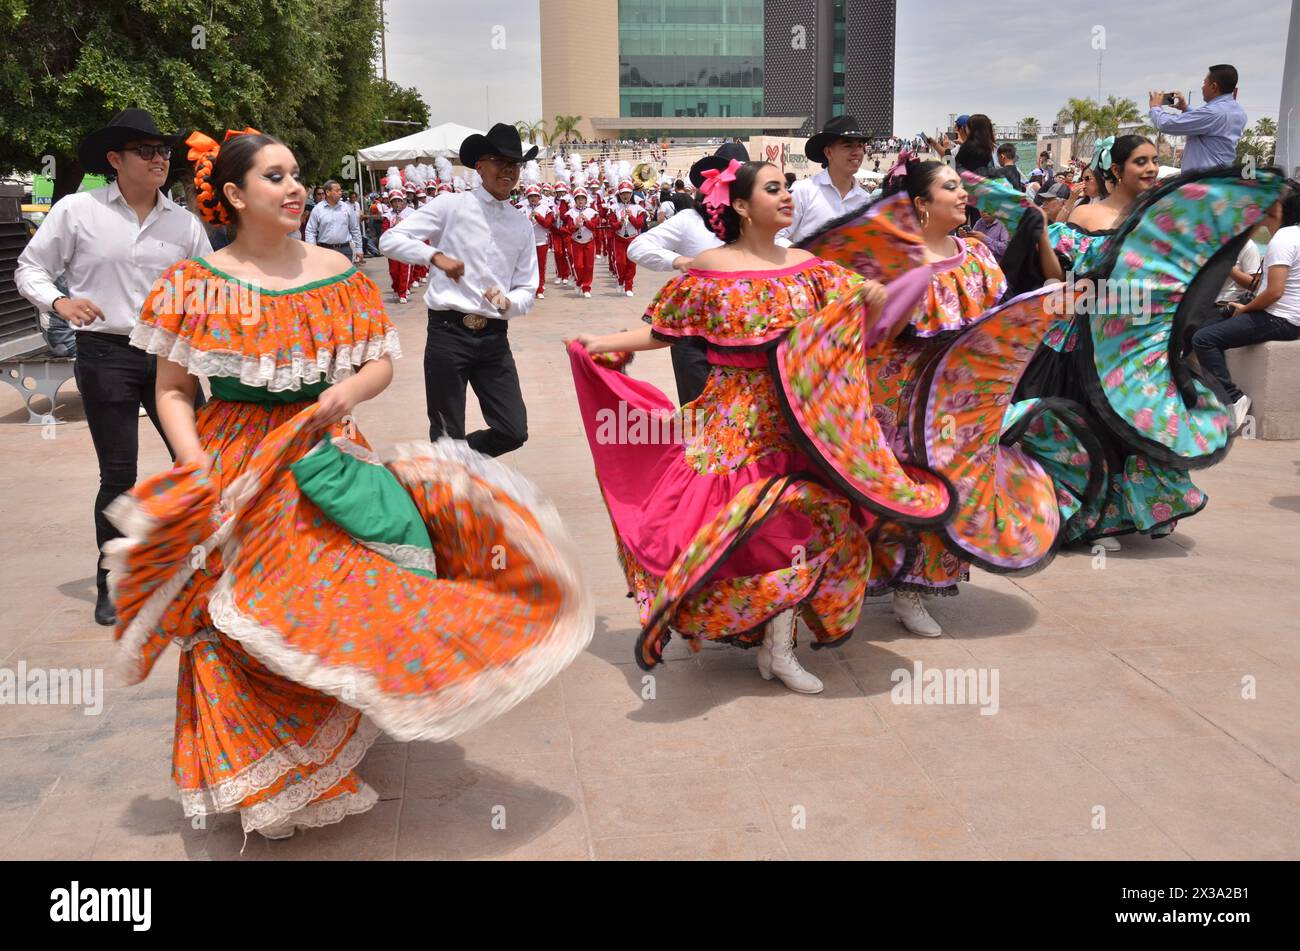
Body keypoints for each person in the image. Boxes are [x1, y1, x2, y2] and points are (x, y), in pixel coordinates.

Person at [109, 127, 592, 840]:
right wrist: (194, 466)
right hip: (234, 462)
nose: (296, 187)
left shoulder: (334, 269)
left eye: (297, 173)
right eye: (276, 177)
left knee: (330, 598)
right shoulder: (195, 282)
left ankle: (316, 742)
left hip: (322, 453)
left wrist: (345, 396)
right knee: (226, 618)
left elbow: (380, 364)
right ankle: (264, 769)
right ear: (236, 194)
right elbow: (174, 388)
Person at [566, 159, 950, 690]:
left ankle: (780, 647)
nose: (787, 196)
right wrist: (600, 345)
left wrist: (879, 296)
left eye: (789, 187)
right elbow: (662, 331)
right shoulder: (709, 266)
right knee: (739, 528)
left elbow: (863, 311)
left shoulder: (808, 266)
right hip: (730, 422)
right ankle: (762, 636)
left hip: (799, 420)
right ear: (742, 206)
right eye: (774, 189)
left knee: (801, 525)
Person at [14, 108, 212, 627]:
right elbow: (30, 268)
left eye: (164, 151)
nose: (159, 160)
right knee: (119, 473)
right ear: (115, 159)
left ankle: (205, 571)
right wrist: (59, 303)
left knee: (201, 465)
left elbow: (208, 290)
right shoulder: (77, 211)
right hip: (107, 355)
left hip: (173, 356)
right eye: (145, 151)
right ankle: (114, 581)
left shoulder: (184, 223)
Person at [872, 159, 1007, 635]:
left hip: (956, 397)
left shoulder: (979, 256)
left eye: (961, 185)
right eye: (949, 187)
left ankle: (913, 589)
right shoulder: (895, 259)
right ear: (922, 205)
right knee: (895, 483)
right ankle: (868, 574)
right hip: (896, 393)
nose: (961, 193)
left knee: (945, 483)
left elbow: (996, 324)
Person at [379, 123, 538, 455]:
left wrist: (509, 303)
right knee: (446, 429)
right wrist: (434, 256)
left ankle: (456, 458)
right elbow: (390, 239)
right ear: (480, 166)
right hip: (448, 333)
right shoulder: (450, 206)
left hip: (494, 336)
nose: (508, 170)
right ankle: (447, 476)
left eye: (515, 164)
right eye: (499, 161)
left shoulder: (521, 224)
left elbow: (527, 286)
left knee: (513, 429)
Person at [627, 144, 741, 405]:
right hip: (695, 337)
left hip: (744, 336)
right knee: (698, 417)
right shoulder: (690, 219)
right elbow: (639, 246)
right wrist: (678, 260)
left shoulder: (757, 223)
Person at [1194, 191, 1300, 430]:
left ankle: (1233, 399)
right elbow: (1265, 286)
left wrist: (1245, 309)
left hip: (1278, 319)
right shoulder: (1290, 234)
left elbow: (1274, 292)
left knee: (1203, 339)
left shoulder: (1283, 238)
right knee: (1198, 328)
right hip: (1284, 316)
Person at [778, 115, 873, 244]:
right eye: (848, 145)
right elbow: (776, 235)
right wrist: (804, 257)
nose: (856, 152)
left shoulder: (866, 200)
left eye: (860, 145)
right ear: (828, 152)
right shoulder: (803, 191)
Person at [1148, 65, 1248, 172]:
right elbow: (1209, 124)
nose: (1202, 87)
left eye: (1204, 83)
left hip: (1204, 182)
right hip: (1219, 177)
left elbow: (1166, 124)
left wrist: (1155, 107)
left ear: (1214, 87)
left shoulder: (1213, 113)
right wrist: (1185, 108)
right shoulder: (1238, 111)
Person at [304, 179, 363, 265]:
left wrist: (359, 249)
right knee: (328, 277)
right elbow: (310, 231)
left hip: (345, 250)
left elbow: (355, 229)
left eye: (340, 190)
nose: (340, 192)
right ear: (328, 192)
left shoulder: (346, 208)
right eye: (337, 190)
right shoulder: (318, 209)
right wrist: (313, 250)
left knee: (345, 278)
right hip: (325, 251)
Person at [609, 180, 646, 296]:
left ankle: (629, 286)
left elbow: (640, 225)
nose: (626, 196)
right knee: (620, 263)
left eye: (628, 193)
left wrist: (631, 217)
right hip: (619, 238)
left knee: (631, 264)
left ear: (632, 194)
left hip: (633, 238)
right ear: (619, 195)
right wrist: (620, 222)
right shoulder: (614, 208)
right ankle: (620, 281)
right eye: (623, 193)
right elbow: (612, 225)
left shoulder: (637, 208)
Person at [560, 187, 599, 296]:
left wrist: (586, 221)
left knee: (589, 266)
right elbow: (568, 229)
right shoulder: (570, 213)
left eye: (583, 198)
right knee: (578, 266)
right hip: (576, 242)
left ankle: (586, 288)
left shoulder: (592, 212)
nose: (580, 201)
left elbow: (594, 227)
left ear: (586, 200)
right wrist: (576, 226)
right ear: (575, 200)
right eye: (578, 199)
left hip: (589, 241)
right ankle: (579, 282)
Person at [521, 183, 554, 299]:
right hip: (527, 244)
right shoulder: (523, 209)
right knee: (528, 267)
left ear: (539, 197)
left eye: (535, 196)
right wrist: (528, 219)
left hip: (541, 242)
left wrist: (539, 217)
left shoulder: (546, 209)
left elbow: (548, 224)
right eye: (530, 196)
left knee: (540, 266)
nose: (533, 198)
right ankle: (529, 289)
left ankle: (540, 289)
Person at [380, 189, 413, 303]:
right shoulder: (387, 216)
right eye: (394, 201)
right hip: (393, 248)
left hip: (405, 247)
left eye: (399, 201)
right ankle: (396, 288)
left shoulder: (409, 214)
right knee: (394, 271)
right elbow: (384, 231)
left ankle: (403, 293)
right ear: (391, 203)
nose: (397, 203)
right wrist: (394, 225)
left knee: (404, 270)